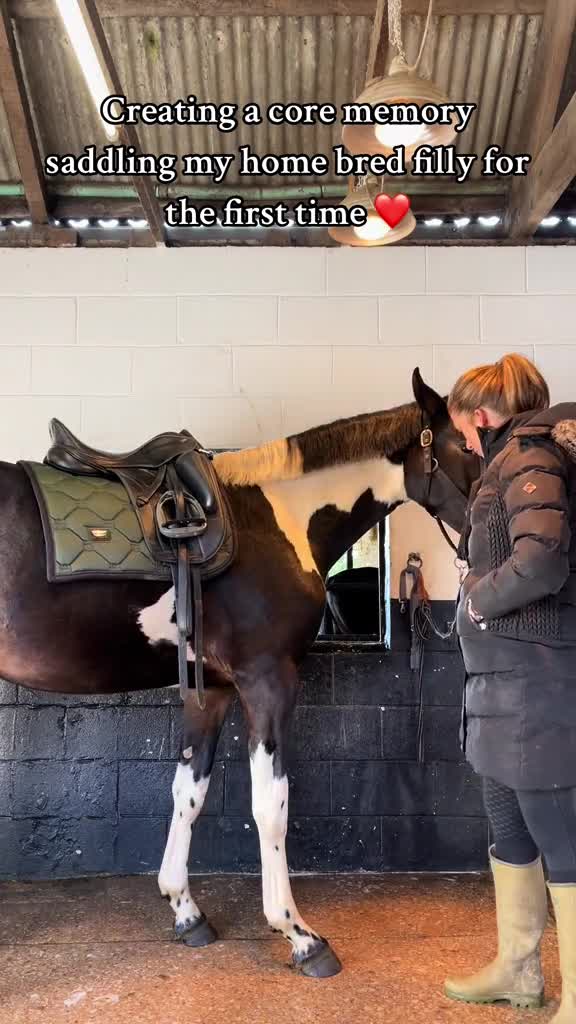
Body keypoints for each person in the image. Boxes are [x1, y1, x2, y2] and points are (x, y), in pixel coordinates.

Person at [445, 353, 576, 1023]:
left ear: (481, 415)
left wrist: (478, 602)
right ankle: (518, 970)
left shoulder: (531, 457)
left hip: (539, 677)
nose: (465, 443)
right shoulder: (509, 462)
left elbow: (543, 559)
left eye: (463, 430)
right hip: (502, 677)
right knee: (507, 820)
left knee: (562, 836)